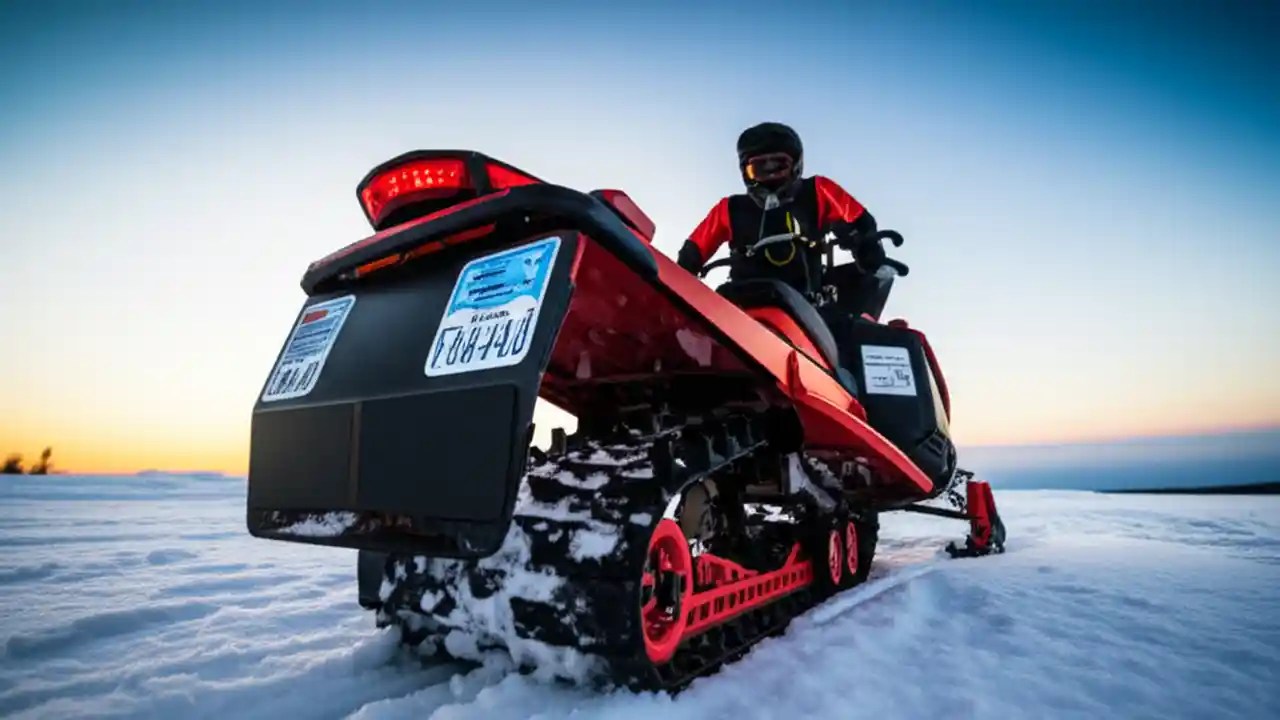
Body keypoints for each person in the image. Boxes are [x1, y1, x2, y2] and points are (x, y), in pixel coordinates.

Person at [676, 122, 885, 298]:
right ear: (746, 172)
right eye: (759, 168)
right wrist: (681, 276)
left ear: (795, 165)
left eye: (778, 165)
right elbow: (695, 248)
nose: (769, 173)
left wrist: (868, 248)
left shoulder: (818, 191)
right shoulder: (730, 208)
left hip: (806, 304)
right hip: (741, 301)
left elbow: (859, 219)